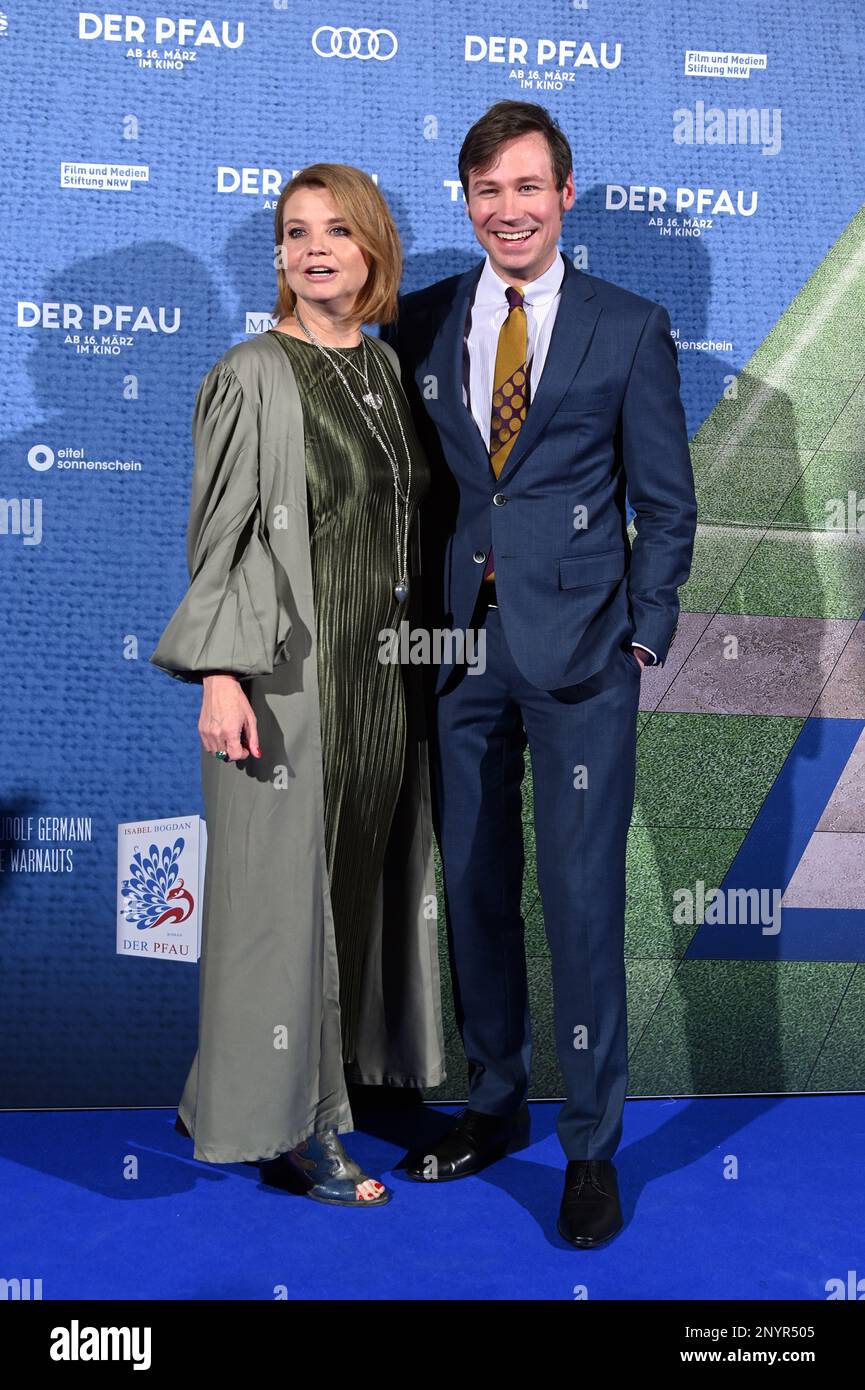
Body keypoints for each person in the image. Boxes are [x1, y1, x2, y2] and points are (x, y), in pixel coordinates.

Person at [386, 101, 697, 1245]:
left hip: (582, 661)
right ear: (464, 203)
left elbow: (665, 504)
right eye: (485, 190)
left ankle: (590, 1148)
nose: (507, 209)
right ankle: (495, 1101)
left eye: (527, 187)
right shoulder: (419, 320)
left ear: (566, 195)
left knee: (576, 906)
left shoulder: (628, 325)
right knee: (470, 890)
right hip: (458, 649)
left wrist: (644, 633)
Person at [150, 163, 445, 1207]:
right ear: (277, 255)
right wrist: (220, 674)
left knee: (350, 897)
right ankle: (296, 1128)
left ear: (372, 251)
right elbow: (218, 540)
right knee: (278, 910)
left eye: (338, 232)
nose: (315, 248)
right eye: (293, 232)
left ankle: (268, 1088)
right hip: (283, 685)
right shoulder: (250, 373)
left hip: (381, 691)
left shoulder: (385, 372)